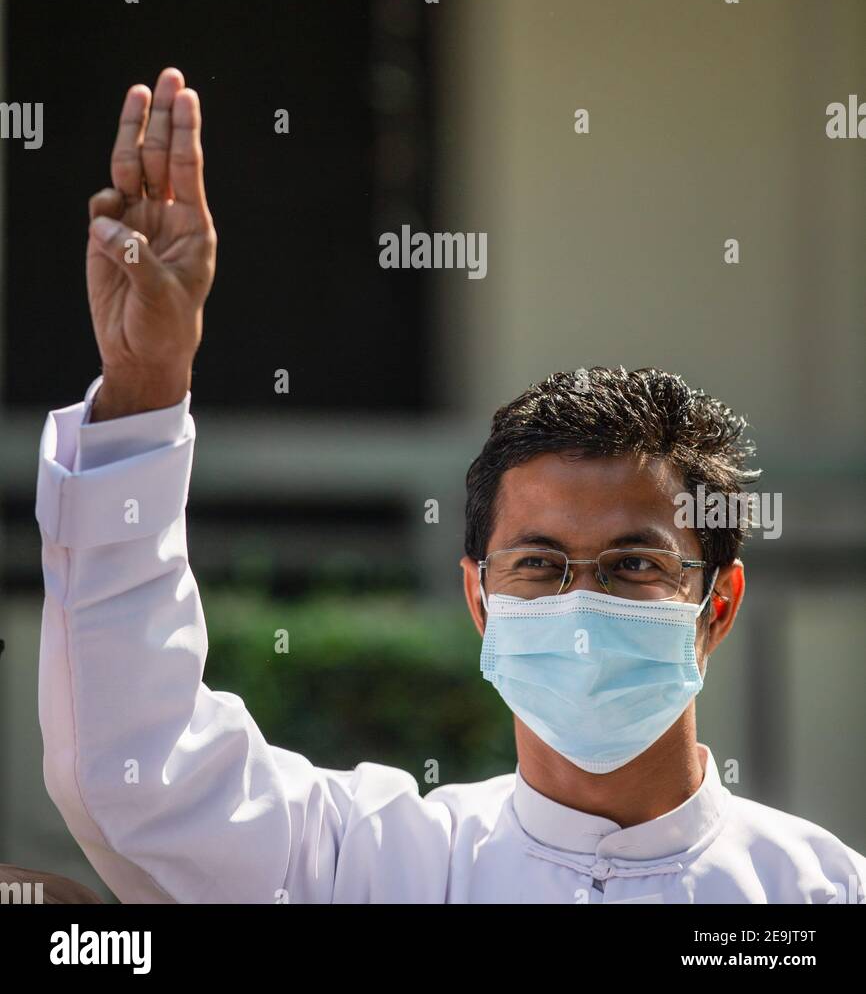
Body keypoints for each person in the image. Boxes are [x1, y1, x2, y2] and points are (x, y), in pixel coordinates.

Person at [35, 68, 866, 904]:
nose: (578, 609)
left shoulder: (816, 894)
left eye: (633, 567)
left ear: (716, 606)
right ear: (479, 601)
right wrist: (143, 389)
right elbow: (141, 782)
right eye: (538, 567)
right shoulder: (375, 867)